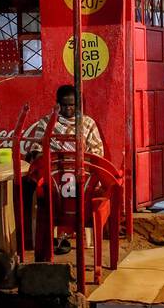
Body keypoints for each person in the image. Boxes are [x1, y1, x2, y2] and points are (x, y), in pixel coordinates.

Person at [21, 85, 104, 257]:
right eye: (65, 105)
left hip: (82, 178)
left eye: (72, 105)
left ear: (78, 105)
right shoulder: (47, 123)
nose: (69, 109)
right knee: (28, 186)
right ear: (58, 104)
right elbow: (37, 149)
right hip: (54, 179)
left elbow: (97, 152)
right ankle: (32, 238)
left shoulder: (87, 124)